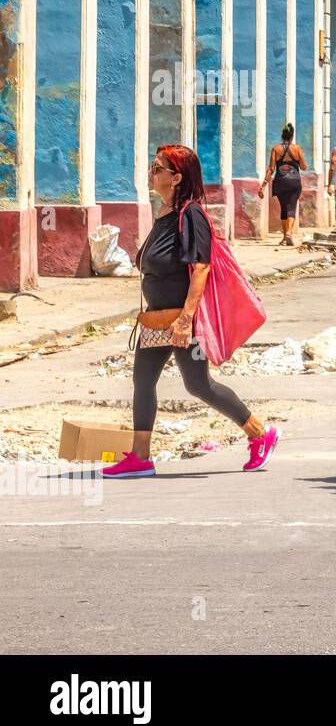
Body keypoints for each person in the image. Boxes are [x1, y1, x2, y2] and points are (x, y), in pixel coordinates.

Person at [105, 145, 279, 478]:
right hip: (158, 317)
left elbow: (201, 268)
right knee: (143, 381)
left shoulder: (191, 214)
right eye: (153, 166)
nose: (151, 173)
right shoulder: (163, 213)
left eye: (157, 168)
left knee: (199, 385)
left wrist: (187, 320)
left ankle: (260, 433)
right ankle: (141, 457)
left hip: (185, 319)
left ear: (177, 177)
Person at [259, 123, 306, 246]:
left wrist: (263, 186)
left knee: (284, 208)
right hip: (294, 182)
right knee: (292, 207)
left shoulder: (276, 149)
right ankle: (289, 233)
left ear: (282, 135)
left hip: (280, 181)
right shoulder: (297, 149)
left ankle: (285, 237)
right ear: (292, 136)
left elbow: (271, 168)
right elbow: (304, 166)